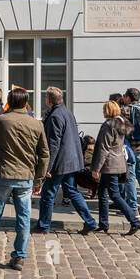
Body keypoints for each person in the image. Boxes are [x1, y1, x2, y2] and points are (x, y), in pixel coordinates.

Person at [0, 87, 48, 270]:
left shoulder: (2, 120)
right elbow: (44, 154)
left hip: (2, 174)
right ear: (26, 103)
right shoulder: (36, 124)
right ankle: (19, 256)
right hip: (25, 176)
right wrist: (39, 179)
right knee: (24, 217)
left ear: (9, 103)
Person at [35, 87, 98, 234]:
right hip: (70, 161)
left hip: (59, 163)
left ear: (48, 100)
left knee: (48, 194)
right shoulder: (67, 112)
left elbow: (53, 144)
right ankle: (90, 221)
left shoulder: (55, 115)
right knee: (72, 191)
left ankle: (43, 225)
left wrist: (47, 167)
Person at [90, 101, 140, 235]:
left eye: (104, 109)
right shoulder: (120, 123)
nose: (103, 111)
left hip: (109, 165)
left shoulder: (109, 125)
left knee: (114, 195)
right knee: (102, 193)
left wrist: (96, 168)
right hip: (117, 162)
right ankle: (103, 223)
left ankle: (135, 221)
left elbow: (104, 148)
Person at [117, 88, 140, 216]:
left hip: (130, 149)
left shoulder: (124, 110)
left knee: (130, 178)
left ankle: (132, 208)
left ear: (127, 97)